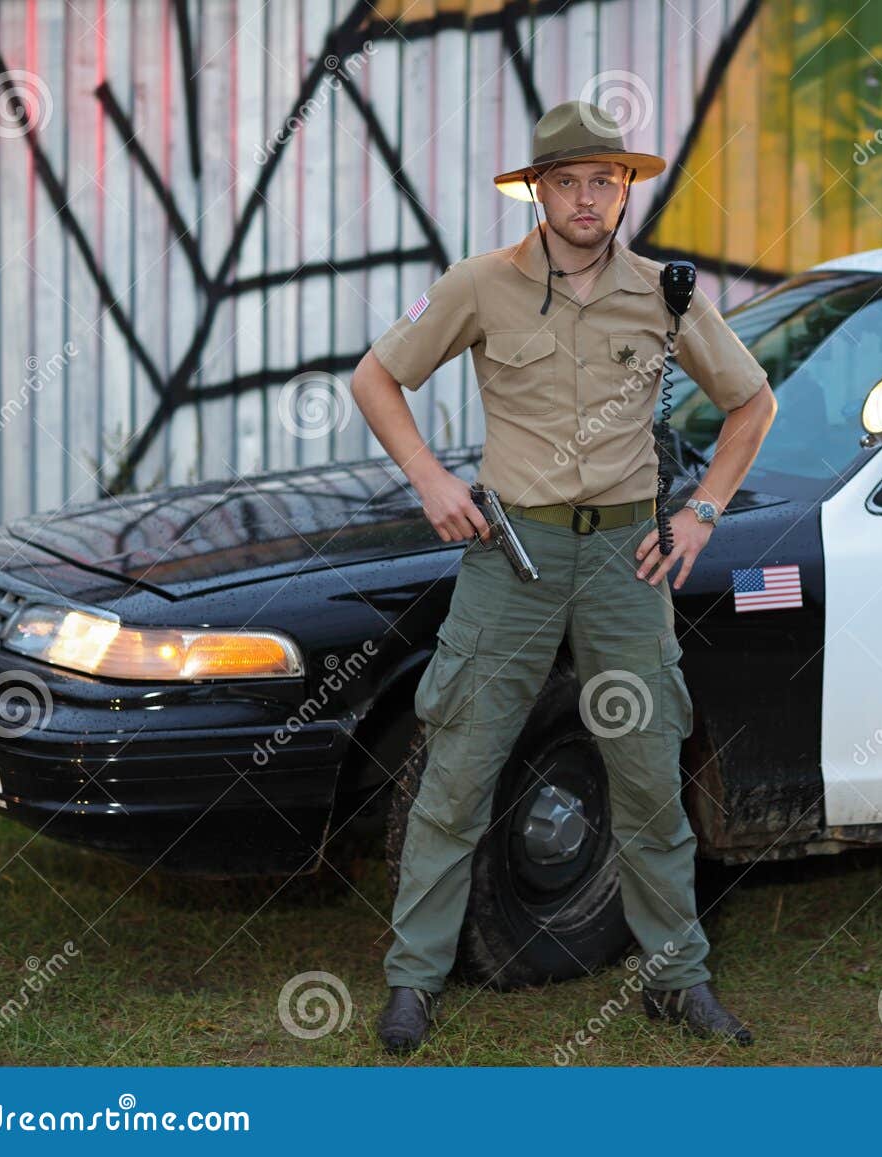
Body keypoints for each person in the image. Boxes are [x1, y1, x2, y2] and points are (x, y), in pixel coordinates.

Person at [349, 98, 776, 1055]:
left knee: (648, 771)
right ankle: (413, 982)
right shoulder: (478, 285)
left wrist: (701, 510)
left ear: (624, 189)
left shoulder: (666, 294)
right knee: (458, 771)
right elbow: (376, 377)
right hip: (512, 557)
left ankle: (679, 977)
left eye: (606, 180)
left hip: (628, 562)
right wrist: (428, 479)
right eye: (570, 180)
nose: (589, 198)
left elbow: (752, 402)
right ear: (537, 189)